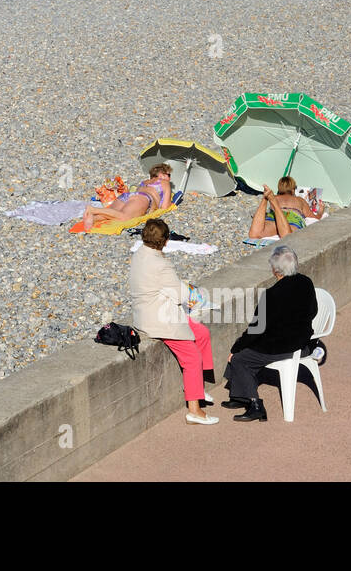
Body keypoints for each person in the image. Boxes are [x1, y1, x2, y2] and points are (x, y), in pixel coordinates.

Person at [128, 218, 217, 425]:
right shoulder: (161, 264)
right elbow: (180, 296)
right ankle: (194, 411)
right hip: (161, 320)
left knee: (202, 333)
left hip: (148, 313)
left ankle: (198, 386)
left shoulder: (140, 254)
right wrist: (189, 289)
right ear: (166, 241)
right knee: (192, 358)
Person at [220, 245, 318, 422]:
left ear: (275, 270)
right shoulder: (306, 282)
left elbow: (256, 329)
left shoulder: (272, 295)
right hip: (302, 342)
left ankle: (255, 404)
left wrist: (235, 349)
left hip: (282, 347)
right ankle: (239, 395)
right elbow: (314, 311)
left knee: (239, 358)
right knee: (244, 347)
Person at [80, 164, 173, 231]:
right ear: (161, 174)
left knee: (107, 216)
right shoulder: (164, 182)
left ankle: (93, 218)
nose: (170, 178)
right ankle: (93, 210)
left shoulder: (144, 182)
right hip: (143, 198)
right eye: (169, 175)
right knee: (125, 217)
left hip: (128, 196)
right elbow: (165, 206)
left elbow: (136, 193)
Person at [247, 176, 315, 239]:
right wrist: (320, 212)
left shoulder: (275, 197)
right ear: (293, 190)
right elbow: (312, 217)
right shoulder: (299, 199)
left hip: (275, 217)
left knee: (254, 234)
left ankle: (265, 199)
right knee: (288, 237)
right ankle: (276, 205)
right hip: (292, 218)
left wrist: (268, 199)